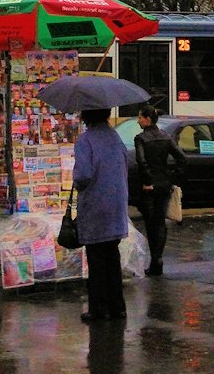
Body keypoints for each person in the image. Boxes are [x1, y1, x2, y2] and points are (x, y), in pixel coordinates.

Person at [72, 108, 129, 324]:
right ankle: (117, 307)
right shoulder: (115, 137)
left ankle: (98, 309)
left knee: (96, 259)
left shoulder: (86, 141)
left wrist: (76, 182)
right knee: (112, 257)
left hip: (96, 205)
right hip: (116, 205)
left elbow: (83, 175)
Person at [134, 104, 186, 277]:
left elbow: (141, 161)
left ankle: (155, 260)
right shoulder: (165, 137)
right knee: (160, 221)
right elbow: (182, 158)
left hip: (149, 187)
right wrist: (173, 178)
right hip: (164, 184)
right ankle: (158, 259)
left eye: (140, 117)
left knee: (151, 223)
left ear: (147, 119)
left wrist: (148, 181)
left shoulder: (141, 139)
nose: (138, 121)